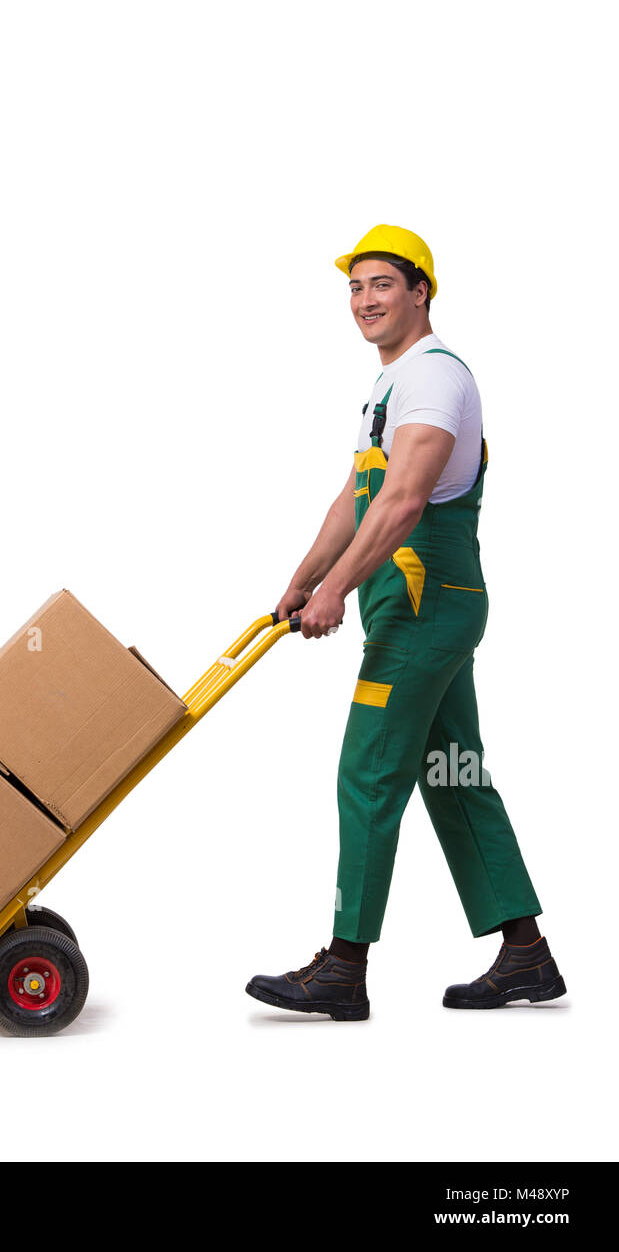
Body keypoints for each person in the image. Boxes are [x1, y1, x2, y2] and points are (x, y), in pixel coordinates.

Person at [245, 224, 565, 1020]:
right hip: (420, 609)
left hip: (421, 609)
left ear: (420, 290)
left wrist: (337, 593)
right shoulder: (390, 387)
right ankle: (525, 953)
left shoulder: (430, 378)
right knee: (452, 772)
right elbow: (353, 498)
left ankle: (343, 968)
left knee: (369, 770)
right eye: (354, 288)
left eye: (381, 284)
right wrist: (300, 581)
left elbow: (404, 502)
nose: (364, 301)